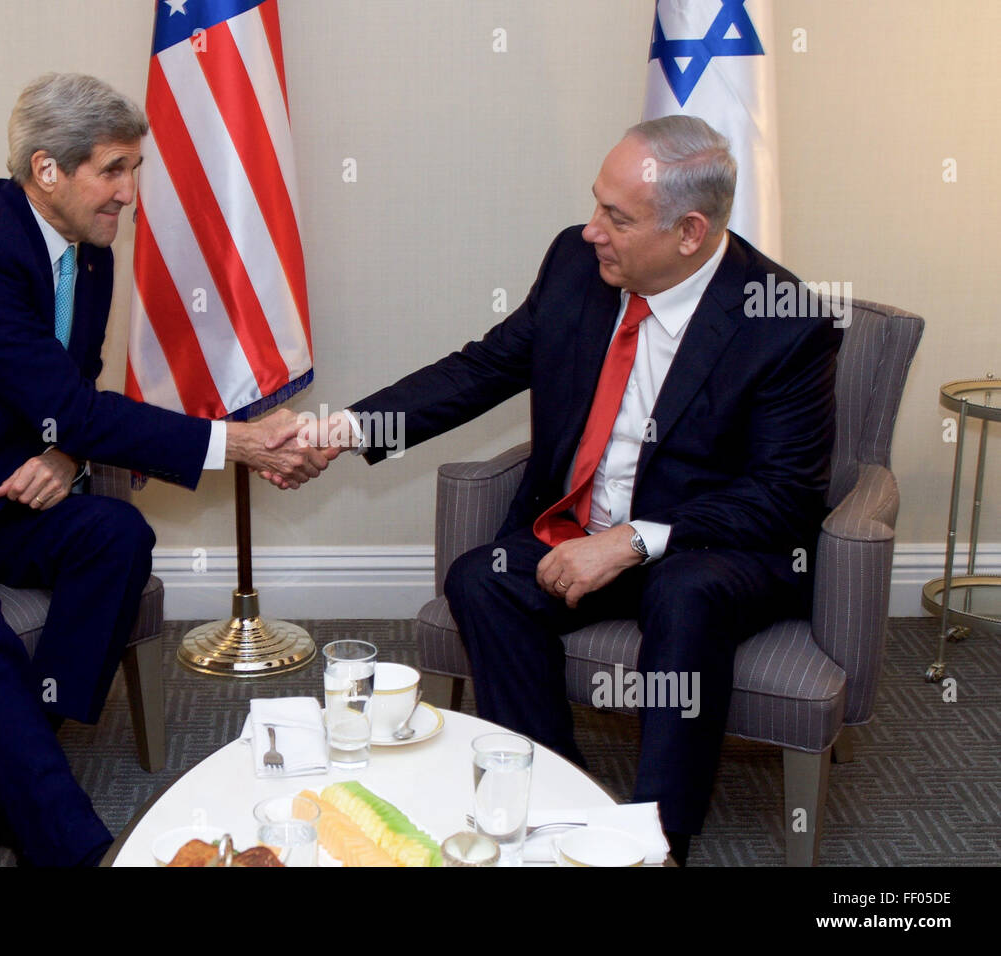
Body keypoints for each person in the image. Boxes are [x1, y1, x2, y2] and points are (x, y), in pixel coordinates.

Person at [0, 73, 326, 866]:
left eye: (133, 170)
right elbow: (67, 401)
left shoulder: (90, 251)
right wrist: (236, 442)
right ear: (48, 170)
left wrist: (65, 453)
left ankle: (13, 771)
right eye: (113, 170)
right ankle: (75, 850)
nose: (130, 194)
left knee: (114, 535)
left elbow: (67, 395)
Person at [305, 116, 842, 865]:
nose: (590, 231)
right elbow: (482, 369)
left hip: (710, 546)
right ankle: (558, 801)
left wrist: (629, 543)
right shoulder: (575, 264)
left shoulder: (783, 322)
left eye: (615, 218)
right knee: (480, 580)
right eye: (596, 204)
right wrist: (345, 431)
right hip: (581, 529)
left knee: (682, 594)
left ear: (689, 232)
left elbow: (785, 496)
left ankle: (659, 838)